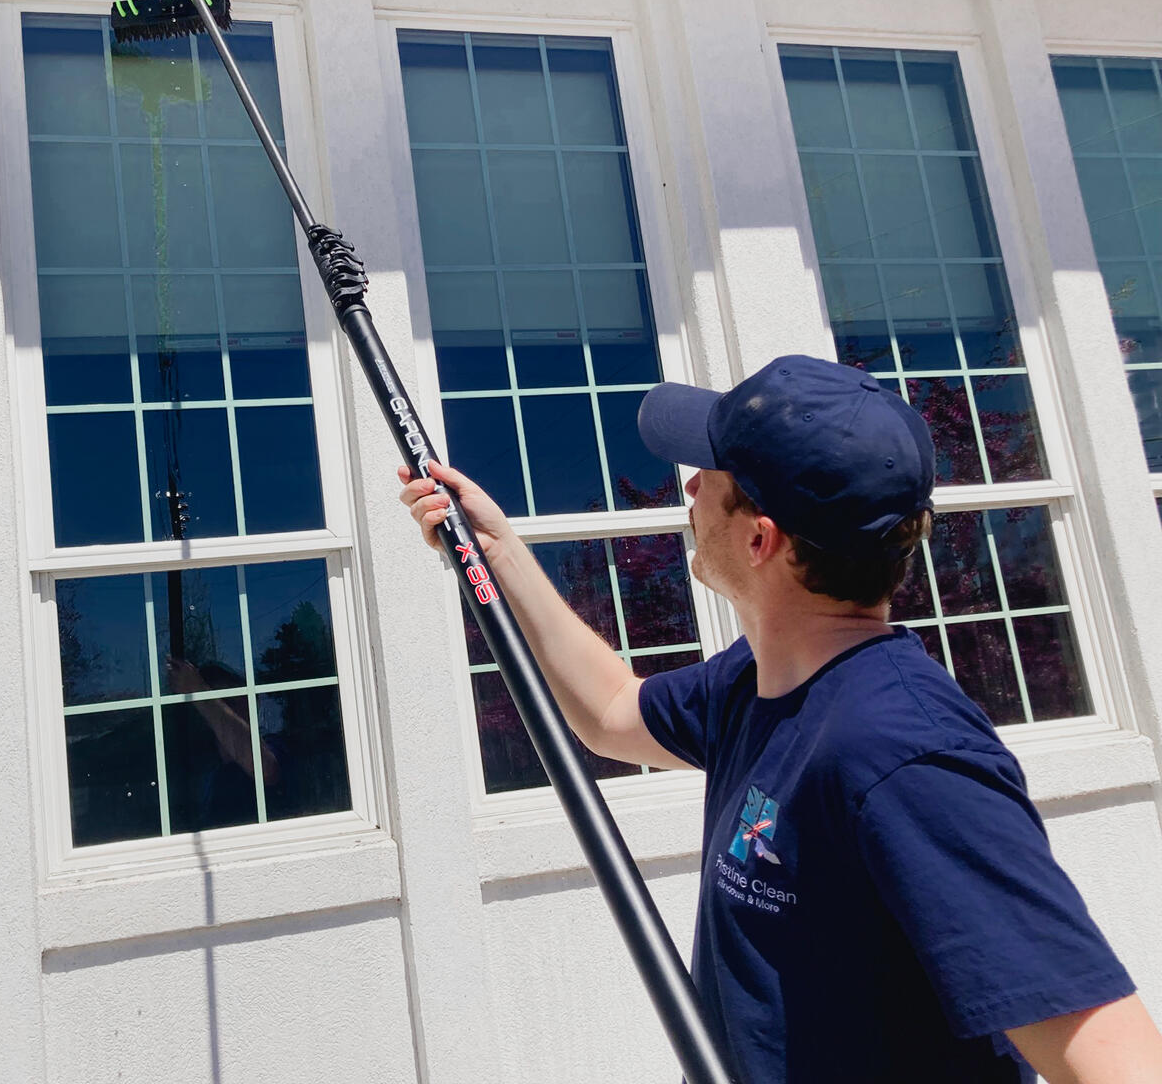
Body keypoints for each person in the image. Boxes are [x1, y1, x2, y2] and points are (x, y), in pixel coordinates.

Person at [399, 354, 1162, 1083]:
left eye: (710, 475)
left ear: (760, 539)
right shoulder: (758, 683)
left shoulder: (904, 754)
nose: (689, 486)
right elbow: (610, 712)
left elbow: (1117, 1061)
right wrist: (499, 551)